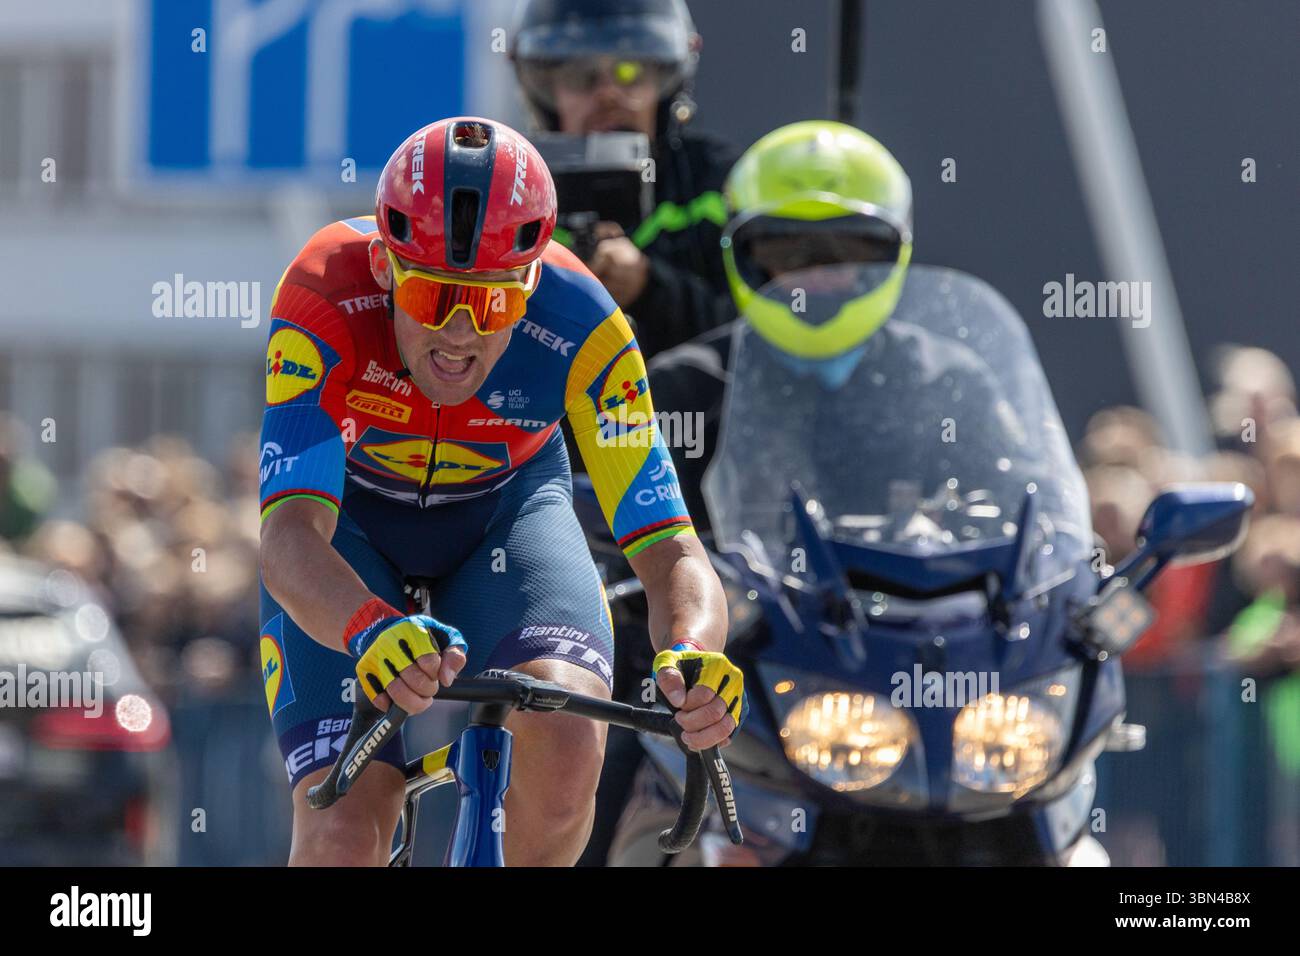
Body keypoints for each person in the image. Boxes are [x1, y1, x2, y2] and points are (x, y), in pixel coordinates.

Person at [257, 116, 744, 867]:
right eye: (432, 296)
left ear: (532, 283)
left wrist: (695, 652)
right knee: (343, 831)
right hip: (349, 535)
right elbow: (290, 537)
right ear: (386, 269)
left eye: (491, 305)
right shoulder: (325, 289)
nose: (458, 334)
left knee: (566, 739)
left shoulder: (586, 324)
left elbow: (669, 547)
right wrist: (365, 629)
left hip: (506, 519)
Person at [510, 0, 738, 359]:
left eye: (630, 71)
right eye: (580, 77)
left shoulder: (722, 184)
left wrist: (651, 288)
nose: (608, 94)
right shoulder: (510, 193)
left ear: (667, 81)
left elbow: (763, 339)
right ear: (547, 93)